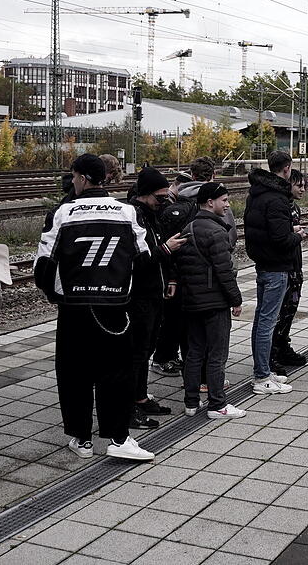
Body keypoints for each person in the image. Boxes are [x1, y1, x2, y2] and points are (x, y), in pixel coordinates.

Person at [34, 154, 155, 461]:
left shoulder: (62, 213)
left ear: (84, 178)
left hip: (74, 308)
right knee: (116, 373)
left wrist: (55, 295)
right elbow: (145, 261)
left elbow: (43, 265)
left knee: (74, 373)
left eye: (73, 176)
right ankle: (119, 437)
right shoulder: (127, 212)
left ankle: (81, 439)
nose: (72, 181)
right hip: (115, 308)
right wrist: (124, 292)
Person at [174, 182, 246, 419]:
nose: (227, 205)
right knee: (217, 355)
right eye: (224, 200)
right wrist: (236, 299)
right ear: (209, 202)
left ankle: (191, 403)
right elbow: (224, 271)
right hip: (214, 302)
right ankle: (217, 405)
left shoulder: (188, 228)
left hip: (191, 302)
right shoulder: (216, 232)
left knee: (194, 353)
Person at [125, 167, 186, 429]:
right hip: (137, 296)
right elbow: (138, 259)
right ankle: (130, 406)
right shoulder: (133, 217)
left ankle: (140, 397)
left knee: (147, 349)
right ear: (145, 195)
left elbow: (163, 251)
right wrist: (164, 249)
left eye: (165, 198)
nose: (163, 203)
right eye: (160, 198)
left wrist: (170, 278)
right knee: (136, 353)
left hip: (155, 293)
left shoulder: (153, 216)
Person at [244, 152, 303, 395]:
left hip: (262, 264)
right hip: (277, 268)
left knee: (261, 320)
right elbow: (280, 239)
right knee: (267, 322)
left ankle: (263, 370)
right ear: (287, 169)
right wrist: (296, 234)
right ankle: (261, 376)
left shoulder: (255, 194)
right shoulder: (277, 199)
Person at [152, 171, 196, 376]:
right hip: (170, 274)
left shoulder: (170, 205)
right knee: (171, 319)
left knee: (174, 319)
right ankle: (162, 358)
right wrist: (171, 277)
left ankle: (167, 355)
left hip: (173, 273)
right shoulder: (170, 209)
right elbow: (168, 246)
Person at [270, 169, 308, 377]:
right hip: (284, 267)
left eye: (304, 186)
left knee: (290, 311)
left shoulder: (295, 208)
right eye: (298, 185)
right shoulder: (282, 206)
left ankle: (283, 346)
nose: (302, 189)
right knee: (279, 313)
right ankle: (273, 353)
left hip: (295, 266)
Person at [179, 157, 236, 249]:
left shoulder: (181, 196)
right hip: (216, 254)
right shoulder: (218, 198)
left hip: (187, 255)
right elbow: (231, 234)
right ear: (214, 174)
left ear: (192, 176)